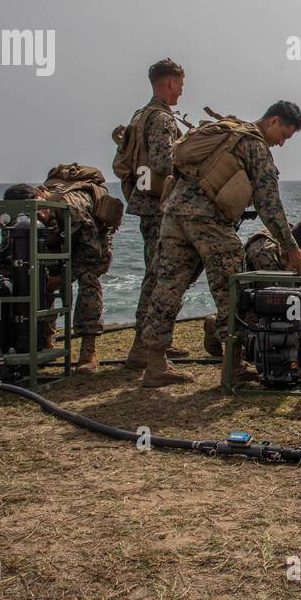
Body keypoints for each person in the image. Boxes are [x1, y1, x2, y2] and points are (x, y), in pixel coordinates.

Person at [138, 101, 301, 388]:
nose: (282, 143)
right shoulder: (254, 146)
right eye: (285, 135)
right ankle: (234, 365)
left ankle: (154, 365)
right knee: (233, 292)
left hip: (174, 215)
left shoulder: (224, 132)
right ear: (274, 121)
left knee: (167, 287)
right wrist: (291, 247)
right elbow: (270, 205)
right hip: (210, 223)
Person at [113, 57, 190, 369]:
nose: (181, 92)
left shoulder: (140, 116)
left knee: (157, 273)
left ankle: (155, 342)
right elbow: (163, 162)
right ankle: (143, 348)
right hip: (159, 206)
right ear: (170, 82)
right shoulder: (161, 119)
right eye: (180, 85)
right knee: (159, 275)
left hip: (146, 203)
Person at [4, 167, 119, 373]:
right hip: (60, 236)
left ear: (40, 196)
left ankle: (88, 351)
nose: (38, 216)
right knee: (39, 278)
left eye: (38, 210)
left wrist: (65, 275)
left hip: (92, 241)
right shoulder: (23, 216)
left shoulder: (72, 206)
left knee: (88, 281)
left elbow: (92, 251)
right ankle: (44, 339)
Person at [203, 216, 301, 356]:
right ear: (295, 248)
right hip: (257, 299)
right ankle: (214, 326)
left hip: (282, 293)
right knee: (257, 339)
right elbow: (278, 298)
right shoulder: (264, 253)